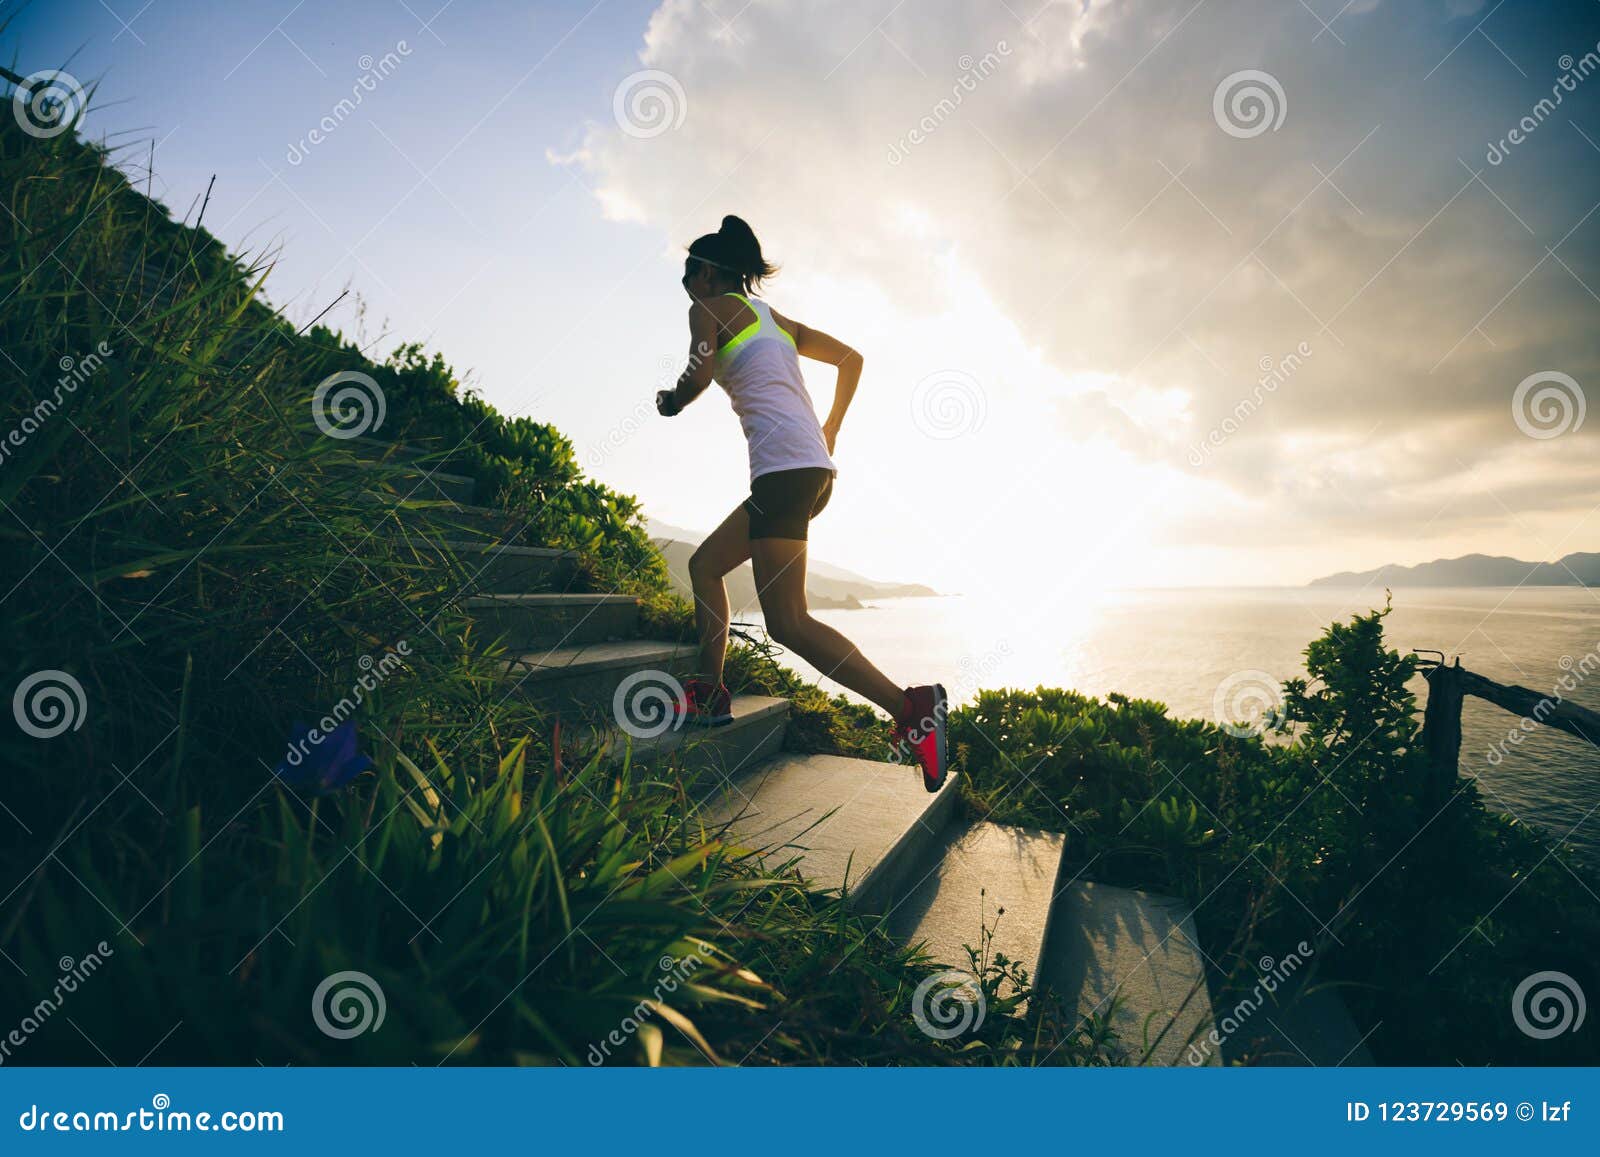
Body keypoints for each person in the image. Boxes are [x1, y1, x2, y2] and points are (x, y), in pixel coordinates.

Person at [655, 215, 948, 793]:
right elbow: (851, 359)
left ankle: (911, 709)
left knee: (787, 622)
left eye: (688, 274)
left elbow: (697, 374)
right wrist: (831, 428)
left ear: (709, 273)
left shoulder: (707, 310)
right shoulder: (774, 319)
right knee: (705, 565)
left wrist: (670, 400)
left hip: (785, 472)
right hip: (811, 471)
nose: (685, 286)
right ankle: (710, 693)